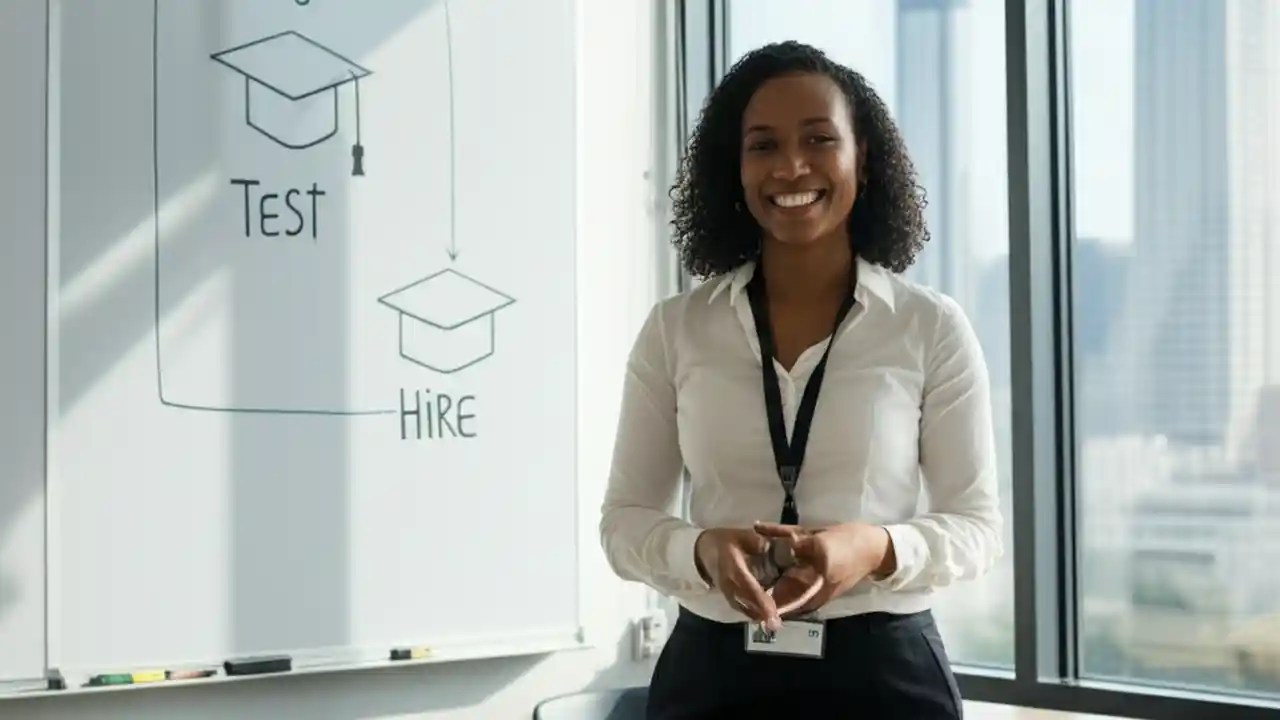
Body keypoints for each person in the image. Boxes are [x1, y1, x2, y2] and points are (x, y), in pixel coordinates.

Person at [599, 40, 1003, 718]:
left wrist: (874, 547)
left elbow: (978, 527)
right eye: (763, 146)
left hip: (885, 676)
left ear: (861, 158)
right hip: (712, 675)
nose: (791, 167)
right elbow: (623, 522)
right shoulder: (676, 329)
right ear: (735, 169)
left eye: (819, 139)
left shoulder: (929, 326)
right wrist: (699, 550)